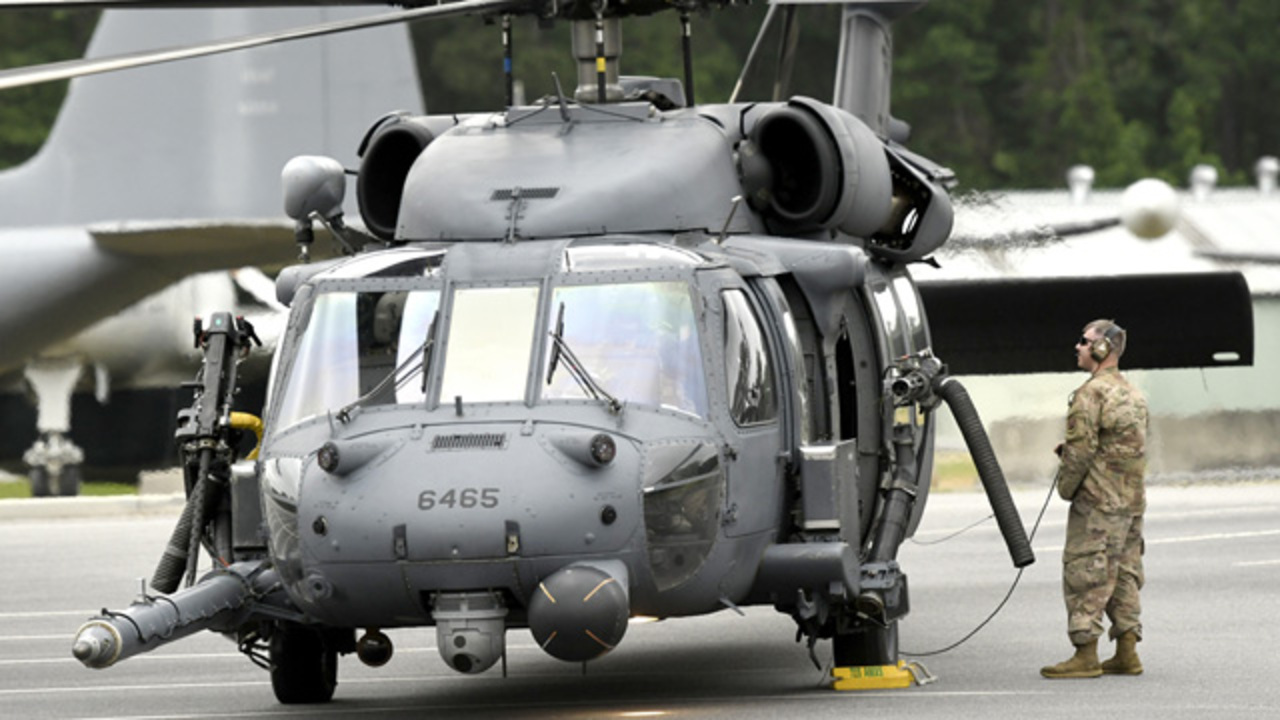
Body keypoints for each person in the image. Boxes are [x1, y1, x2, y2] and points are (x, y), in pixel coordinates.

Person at [1041, 319, 1149, 679]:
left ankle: (1085, 653)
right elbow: (1122, 447)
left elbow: (1082, 451)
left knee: (1085, 570)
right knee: (1124, 573)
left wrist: (1066, 488)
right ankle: (1127, 652)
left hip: (1098, 505)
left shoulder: (1091, 394)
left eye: (1085, 342)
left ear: (1103, 349)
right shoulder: (1133, 393)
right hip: (1130, 503)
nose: (1078, 347)